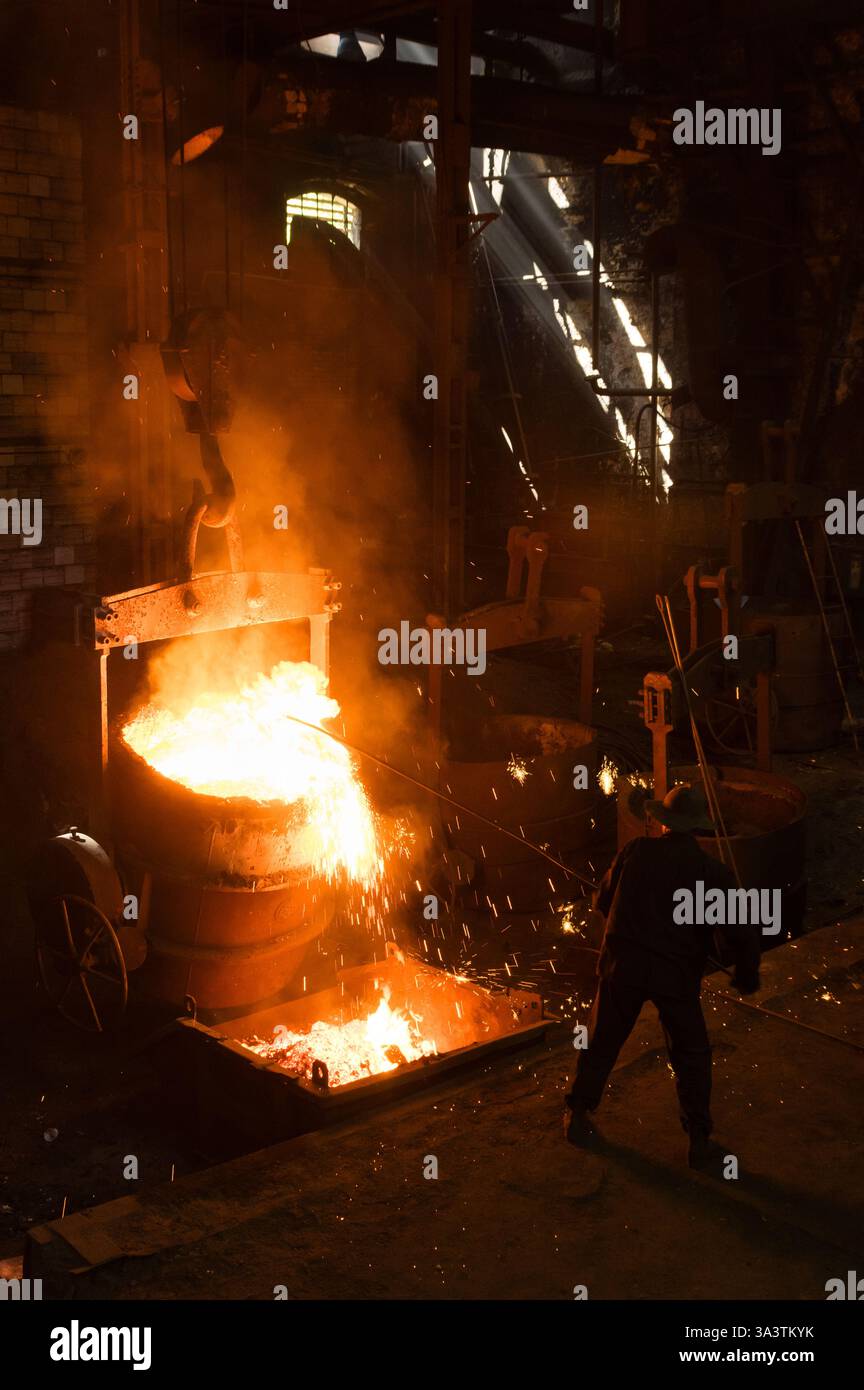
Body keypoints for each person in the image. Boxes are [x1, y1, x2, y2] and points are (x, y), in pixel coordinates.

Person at [563, 782, 761, 1168]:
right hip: (675, 974)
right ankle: (699, 1140)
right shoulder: (711, 872)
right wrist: (747, 973)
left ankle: (578, 1113)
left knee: (601, 1038)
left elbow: (602, 901)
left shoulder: (635, 852)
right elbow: (740, 930)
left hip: (624, 967)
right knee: (691, 1053)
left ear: (664, 822)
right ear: (698, 828)